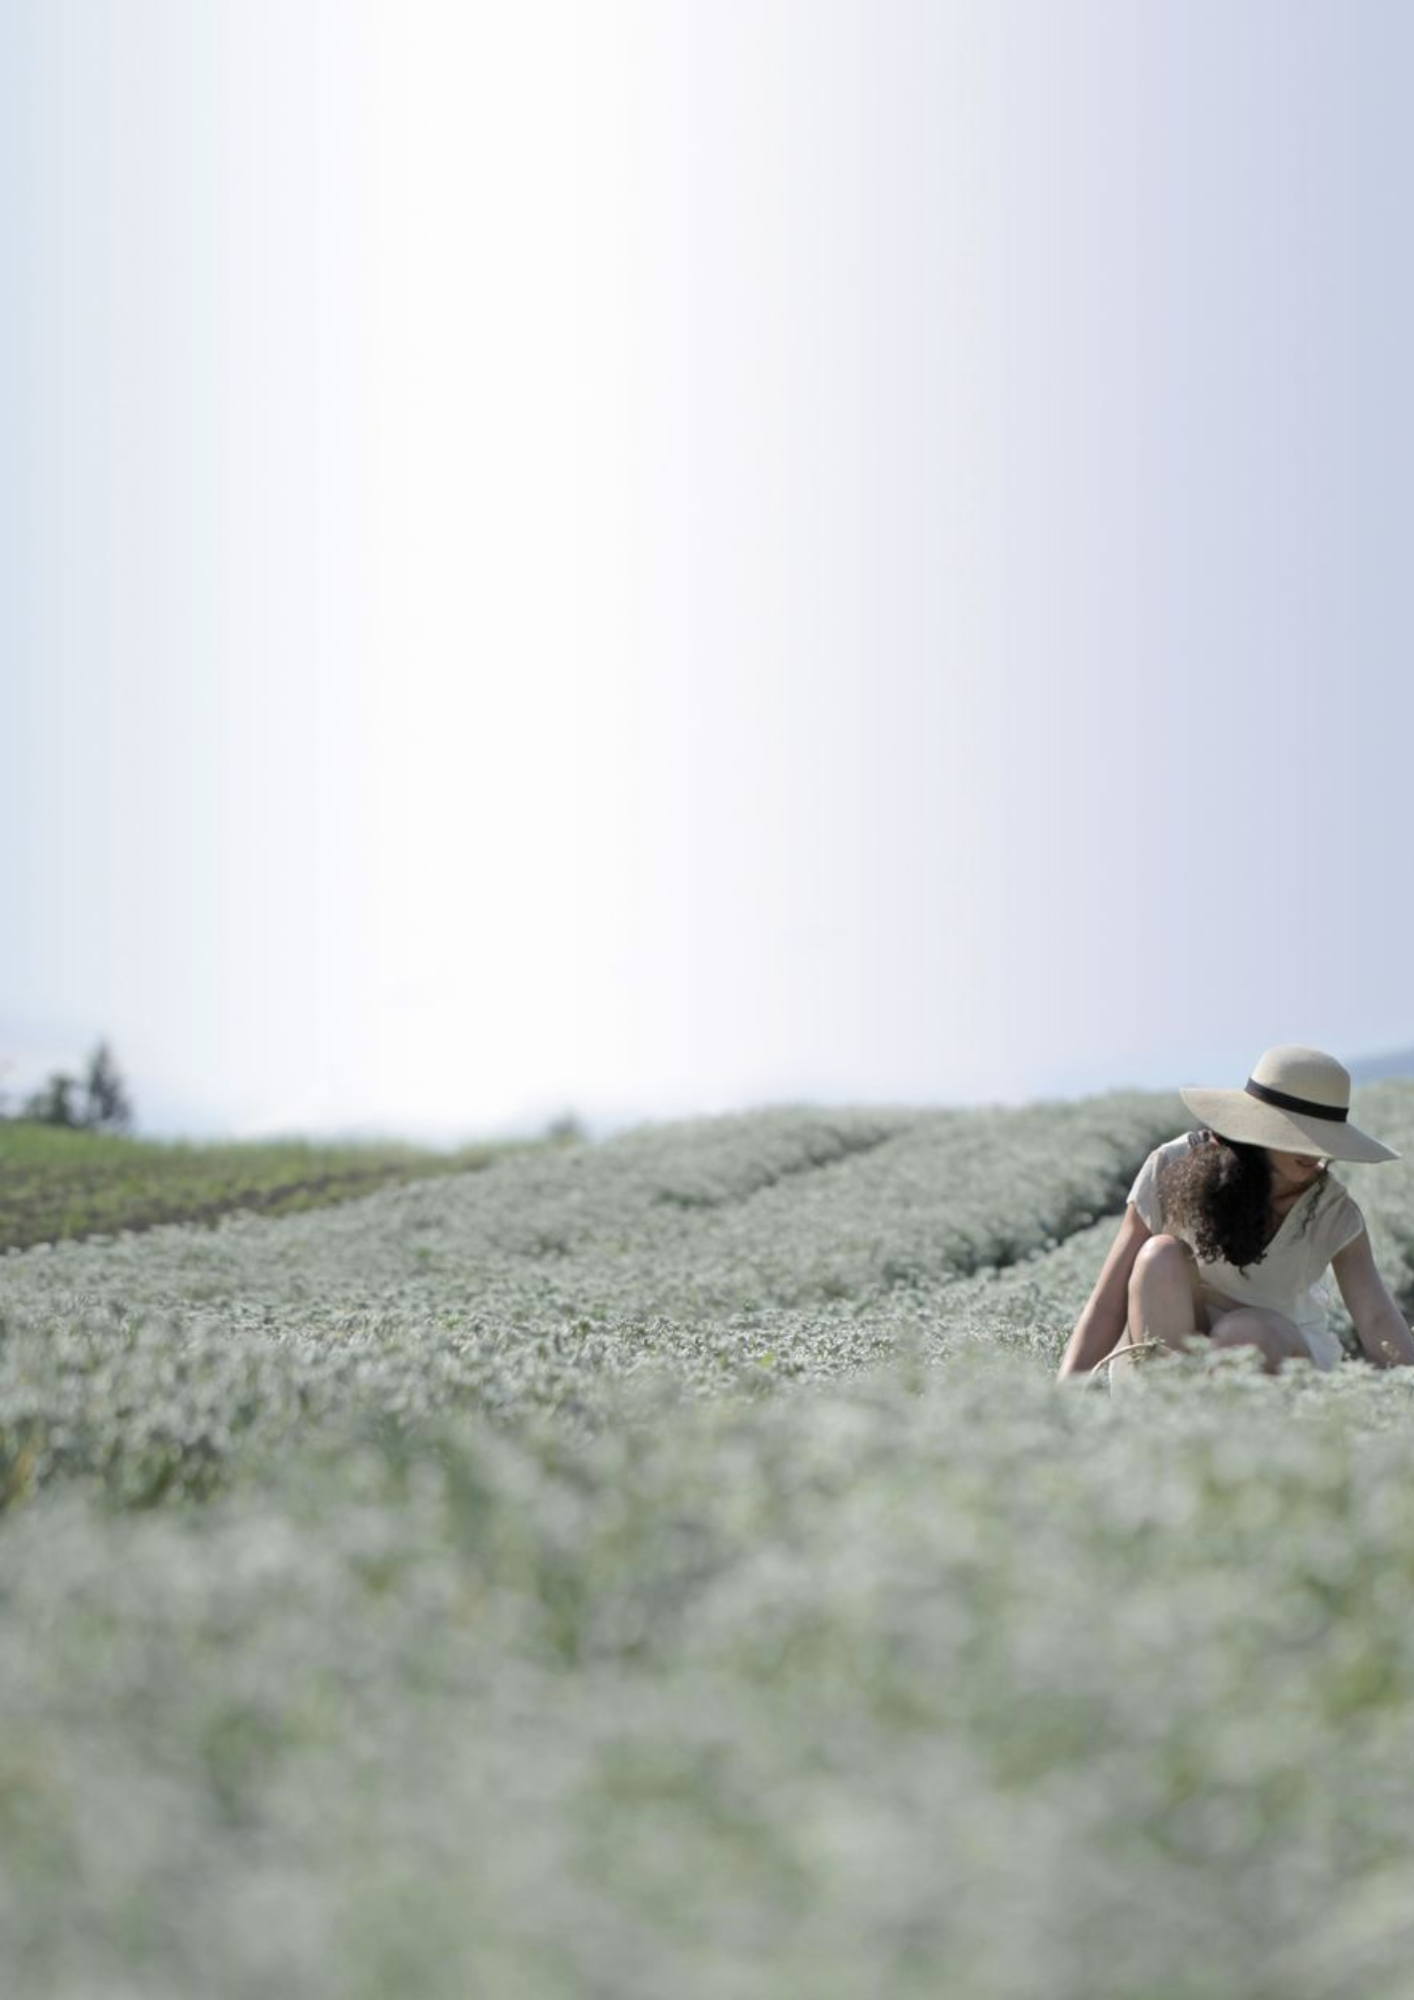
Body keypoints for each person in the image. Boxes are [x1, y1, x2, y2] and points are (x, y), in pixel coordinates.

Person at [1055, 1044, 1414, 1384]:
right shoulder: (1170, 1165)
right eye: (1301, 1136)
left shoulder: (1332, 1209)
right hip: (1170, 1353)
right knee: (1157, 1258)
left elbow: (1376, 1316)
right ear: (1260, 1126)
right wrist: (1065, 1395)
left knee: (1244, 1334)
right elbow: (1107, 1301)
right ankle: (1165, 1415)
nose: (1317, 1154)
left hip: (1278, 1360)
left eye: (1325, 1139)